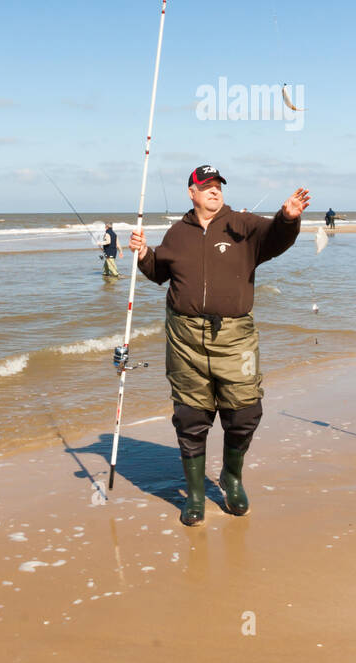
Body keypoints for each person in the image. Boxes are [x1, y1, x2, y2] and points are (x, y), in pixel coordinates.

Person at [130, 165, 309, 526]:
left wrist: (288, 218)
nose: (213, 190)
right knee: (191, 417)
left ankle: (231, 476)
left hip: (234, 336)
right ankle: (195, 495)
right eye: (205, 186)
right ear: (191, 192)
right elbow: (160, 272)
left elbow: (275, 237)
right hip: (184, 338)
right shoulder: (177, 233)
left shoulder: (242, 225)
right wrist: (144, 254)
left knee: (245, 412)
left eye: (217, 186)